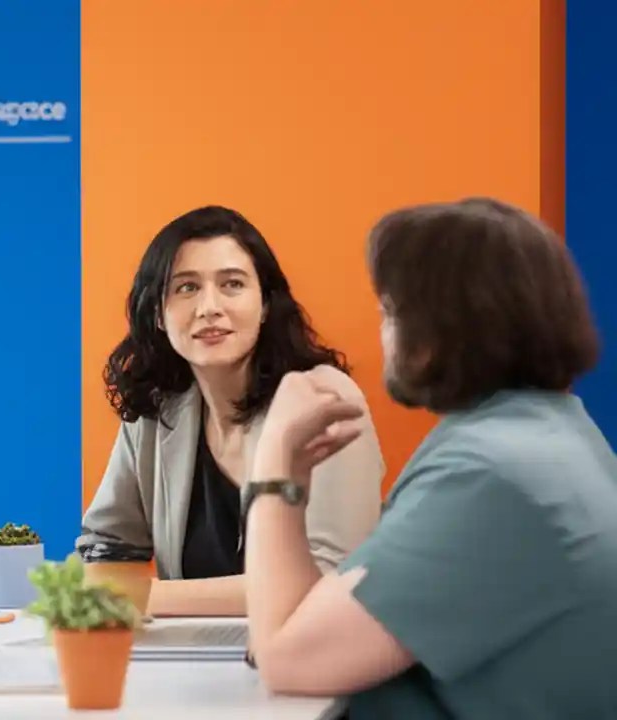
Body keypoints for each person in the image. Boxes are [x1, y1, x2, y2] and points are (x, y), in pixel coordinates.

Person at [244, 198, 616, 718]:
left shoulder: (488, 476)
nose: (383, 330)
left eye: (389, 312)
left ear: (434, 334)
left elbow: (285, 660)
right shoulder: (548, 437)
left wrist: (271, 464)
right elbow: (319, 621)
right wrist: (290, 479)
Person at [78, 205, 383, 616]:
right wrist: (106, 587)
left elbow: (327, 576)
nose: (209, 307)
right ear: (158, 315)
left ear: (266, 305)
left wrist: (142, 598)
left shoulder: (324, 400)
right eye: (186, 288)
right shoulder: (155, 409)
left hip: (313, 661)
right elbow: (104, 550)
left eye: (232, 284)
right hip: (192, 660)